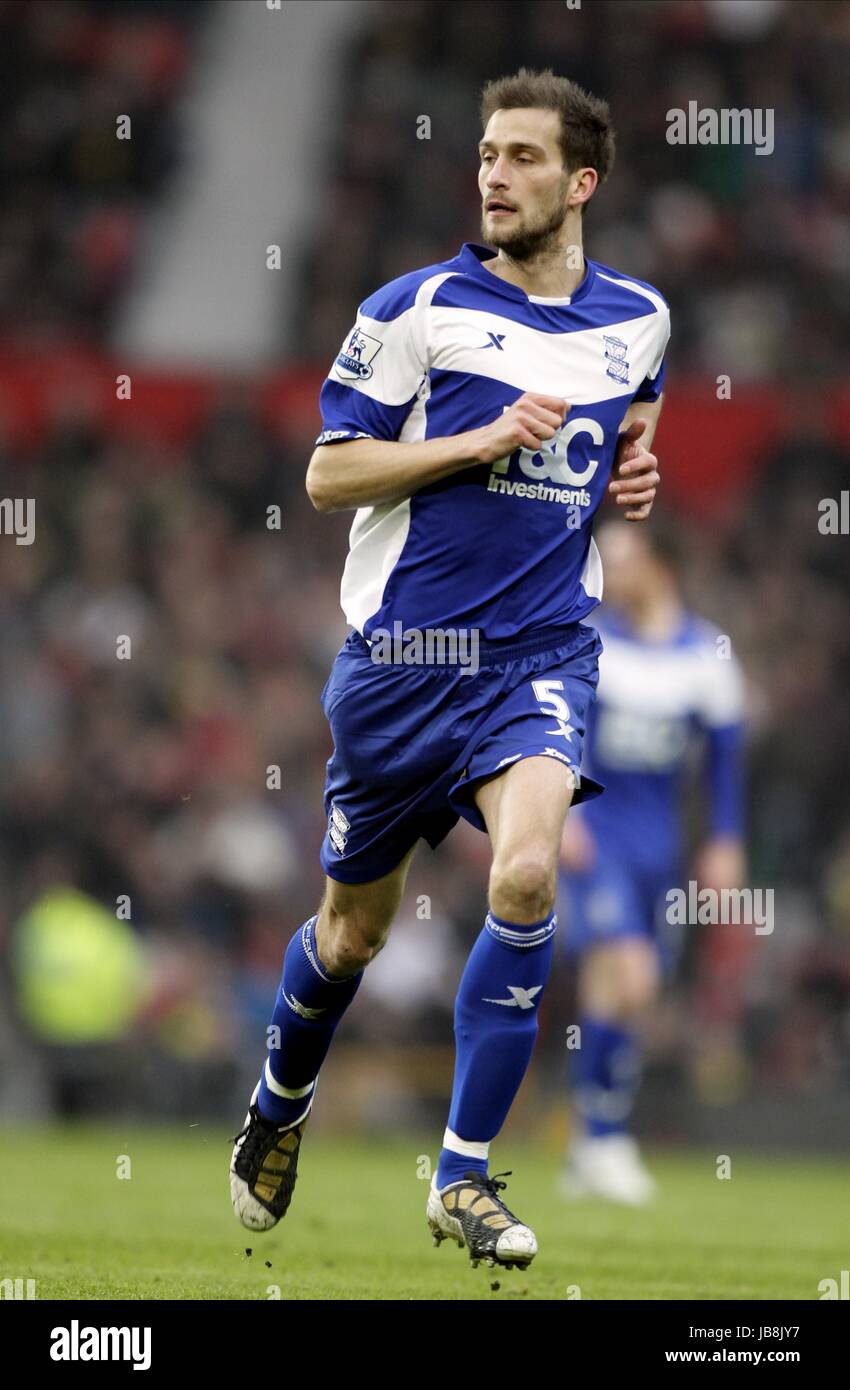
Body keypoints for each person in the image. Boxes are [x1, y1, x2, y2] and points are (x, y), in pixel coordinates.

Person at [230, 67, 669, 1273]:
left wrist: (634, 479)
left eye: (523, 157)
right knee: (351, 935)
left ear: (580, 182)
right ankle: (278, 1101)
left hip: (538, 657)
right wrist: (477, 437)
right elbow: (328, 473)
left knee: (526, 877)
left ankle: (463, 1175)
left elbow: (630, 435)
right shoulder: (412, 305)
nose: (493, 173)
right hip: (401, 668)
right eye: (486, 153)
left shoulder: (639, 317)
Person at [557, 520, 746, 1205]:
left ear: (660, 564)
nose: (611, 572)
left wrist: (726, 839)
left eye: (625, 558)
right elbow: (564, 729)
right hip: (598, 834)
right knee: (629, 976)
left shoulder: (706, 655)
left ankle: (589, 1141)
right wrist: (566, 811)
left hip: (658, 848)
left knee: (624, 993)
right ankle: (607, 1140)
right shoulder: (593, 638)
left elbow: (724, 762)